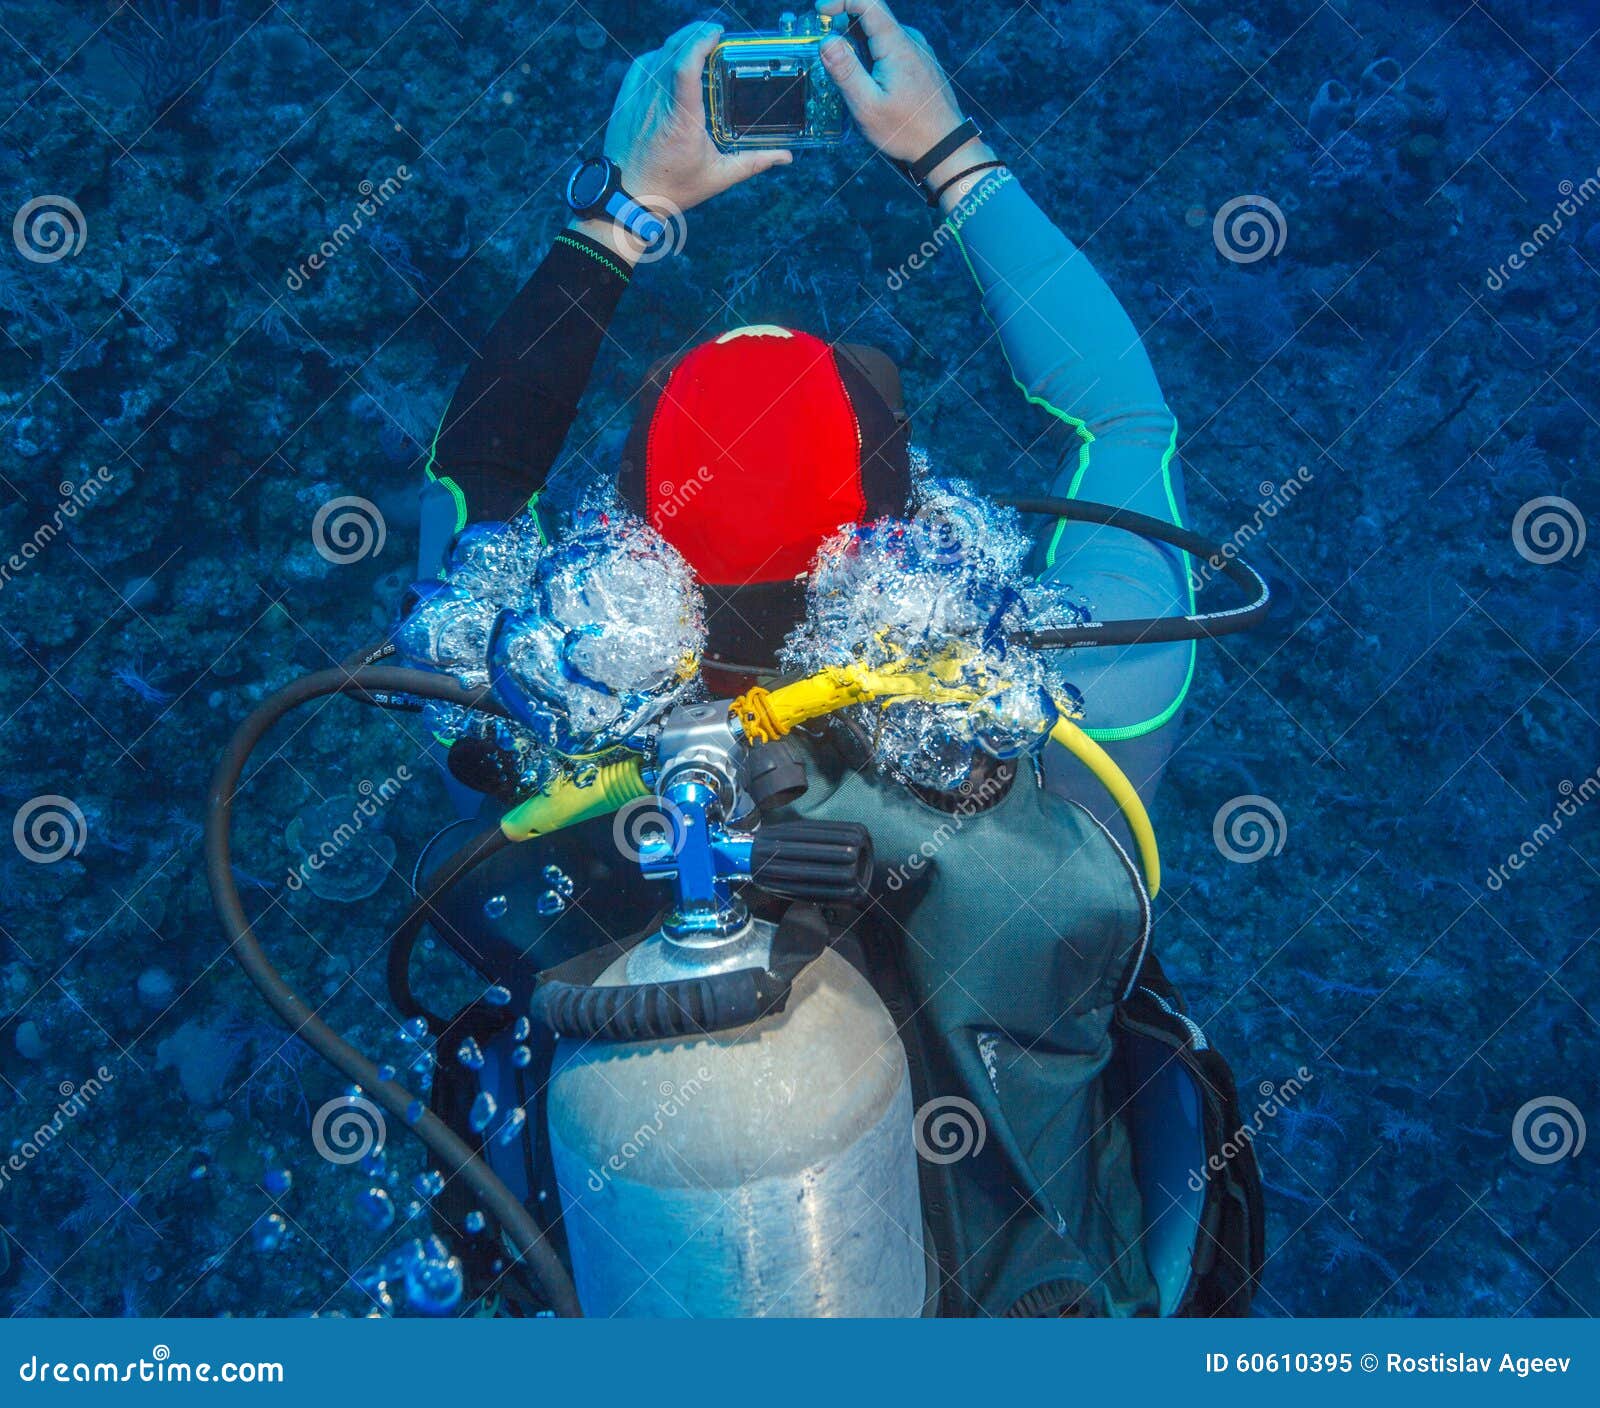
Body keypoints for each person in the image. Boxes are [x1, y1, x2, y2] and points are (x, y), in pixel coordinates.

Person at [414, 0, 1261, 1317]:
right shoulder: (1066, 720)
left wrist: (624, 207)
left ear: (627, 542)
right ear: (904, 518)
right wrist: (948, 152)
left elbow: (478, 479)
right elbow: (1123, 420)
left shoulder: (530, 715)